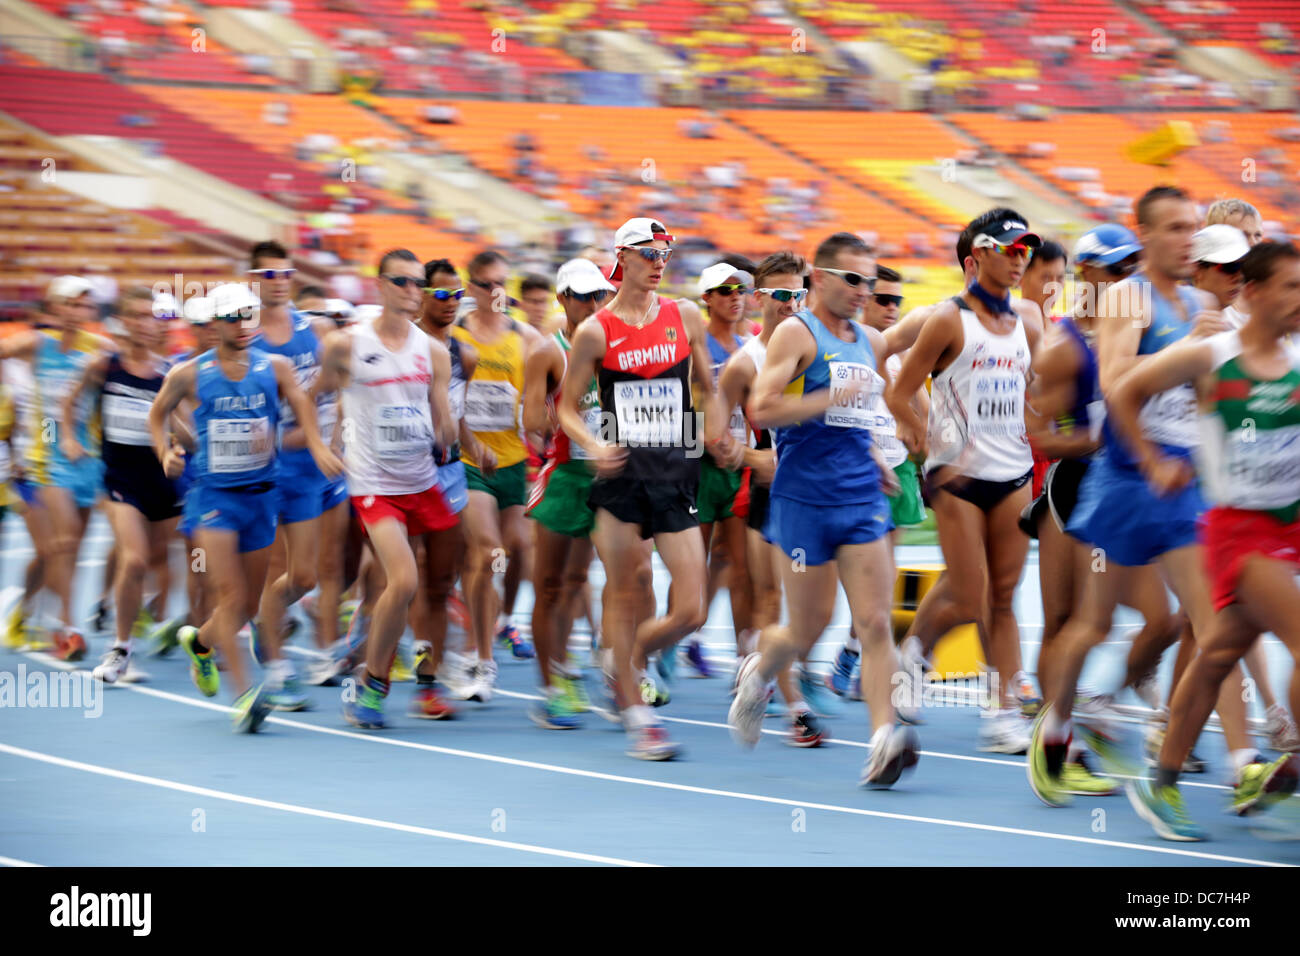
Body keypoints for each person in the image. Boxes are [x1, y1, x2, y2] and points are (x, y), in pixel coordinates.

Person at [1027, 186, 1256, 807]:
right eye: (1176, 228)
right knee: (1092, 625)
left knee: (1215, 624)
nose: (1190, 238)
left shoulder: (1200, 301)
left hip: (1184, 489)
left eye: (1193, 227)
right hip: (1126, 483)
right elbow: (1114, 381)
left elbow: (1204, 397)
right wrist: (1188, 351)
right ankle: (1054, 728)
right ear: (1147, 235)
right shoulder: (1130, 297)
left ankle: (1245, 765)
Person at [1121, 241, 1300, 839]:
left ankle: (1162, 782)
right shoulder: (1211, 357)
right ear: (1252, 291)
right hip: (1239, 536)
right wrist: (1152, 461)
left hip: (1290, 528)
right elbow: (1125, 392)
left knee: (1218, 653)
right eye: (1290, 287)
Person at [732, 232, 918, 786]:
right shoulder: (795, 331)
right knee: (808, 626)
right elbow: (764, 408)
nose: (865, 291)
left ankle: (884, 739)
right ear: (821, 279)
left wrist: (872, 455)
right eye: (854, 280)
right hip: (803, 500)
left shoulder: (868, 340)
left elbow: (857, 412)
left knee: (876, 622)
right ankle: (760, 670)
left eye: (871, 280)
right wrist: (826, 398)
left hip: (860, 495)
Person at [557, 217, 731, 760]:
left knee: (692, 609)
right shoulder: (596, 331)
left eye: (666, 253)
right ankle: (637, 717)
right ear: (623, 257)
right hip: (622, 474)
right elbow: (564, 407)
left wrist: (718, 432)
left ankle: (622, 661)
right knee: (627, 582)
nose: (660, 262)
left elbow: (708, 386)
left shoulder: (684, 317)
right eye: (650, 253)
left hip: (676, 471)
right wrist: (594, 442)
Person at [149, 283, 343, 732]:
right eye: (233, 317)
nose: (242, 325)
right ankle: (245, 696)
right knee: (231, 596)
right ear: (215, 323)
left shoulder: (273, 367)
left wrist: (316, 445)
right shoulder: (190, 374)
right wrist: (165, 451)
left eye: (248, 315)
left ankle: (199, 643)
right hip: (214, 500)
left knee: (246, 605)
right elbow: (157, 414)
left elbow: (302, 406)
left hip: (261, 496)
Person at [886, 210, 1044, 754]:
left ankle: (1001, 715)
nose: (1020, 257)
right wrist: (928, 444)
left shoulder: (1029, 319)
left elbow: (1038, 393)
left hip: (1013, 473)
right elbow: (898, 392)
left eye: (1026, 249)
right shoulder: (947, 320)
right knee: (973, 593)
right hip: (957, 477)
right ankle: (914, 658)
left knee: (1002, 597)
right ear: (975, 259)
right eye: (1010, 249)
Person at [313, 249, 459, 729]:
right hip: (372, 481)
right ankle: (373, 686)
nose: (413, 292)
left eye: (419, 284)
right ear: (379, 285)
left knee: (438, 582)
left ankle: (419, 669)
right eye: (402, 282)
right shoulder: (346, 344)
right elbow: (311, 394)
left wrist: (449, 436)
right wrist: (320, 443)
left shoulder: (433, 351)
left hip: (421, 479)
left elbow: (441, 417)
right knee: (405, 580)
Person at [718, 250, 831, 745]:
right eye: (782, 296)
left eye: (800, 295)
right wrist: (751, 458)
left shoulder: (818, 346)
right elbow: (709, 435)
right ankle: (795, 708)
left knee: (816, 610)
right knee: (770, 598)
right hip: (768, 496)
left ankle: (762, 669)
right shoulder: (744, 362)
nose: (791, 305)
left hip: (820, 492)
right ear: (759, 298)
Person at [245, 240, 349, 712]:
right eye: (268, 275)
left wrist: (338, 432)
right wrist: (299, 437)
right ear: (252, 282)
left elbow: (336, 384)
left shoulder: (315, 327)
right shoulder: (249, 343)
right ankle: (277, 664)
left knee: (313, 573)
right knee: (287, 572)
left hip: (322, 464)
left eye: (284, 272)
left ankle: (294, 640)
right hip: (279, 470)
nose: (280, 280)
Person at [61, 288, 183, 683]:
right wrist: (65, 436)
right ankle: (120, 648)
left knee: (160, 561)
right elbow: (69, 403)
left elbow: (185, 428)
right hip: (120, 480)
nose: (146, 323)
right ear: (125, 321)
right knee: (134, 559)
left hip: (162, 480)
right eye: (137, 315)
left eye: (152, 316)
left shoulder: (170, 375)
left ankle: (141, 618)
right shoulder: (104, 366)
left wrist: (179, 447)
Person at [522, 257, 616, 728]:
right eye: (581, 296)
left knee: (579, 583)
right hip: (563, 477)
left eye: (598, 295)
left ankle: (567, 667)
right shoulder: (548, 351)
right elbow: (533, 423)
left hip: (602, 479)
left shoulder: (611, 345)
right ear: (563, 298)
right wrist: (569, 415)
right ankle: (550, 683)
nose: (591, 303)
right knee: (550, 585)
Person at [0, 275, 110, 660]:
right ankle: (66, 627)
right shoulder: (36, 344)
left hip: (83, 457)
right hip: (39, 456)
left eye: (84, 306)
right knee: (58, 545)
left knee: (63, 550)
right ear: (53, 307)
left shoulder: (98, 350)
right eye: (70, 304)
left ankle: (25, 614)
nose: (77, 312)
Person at [452, 249, 541, 705]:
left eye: (503, 284)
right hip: (470, 464)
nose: (497, 293)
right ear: (472, 289)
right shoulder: (455, 336)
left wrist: (542, 430)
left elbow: (540, 397)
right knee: (488, 553)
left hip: (512, 461)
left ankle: (501, 616)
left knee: (520, 549)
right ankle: (479, 655)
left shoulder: (525, 338)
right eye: (487, 285)